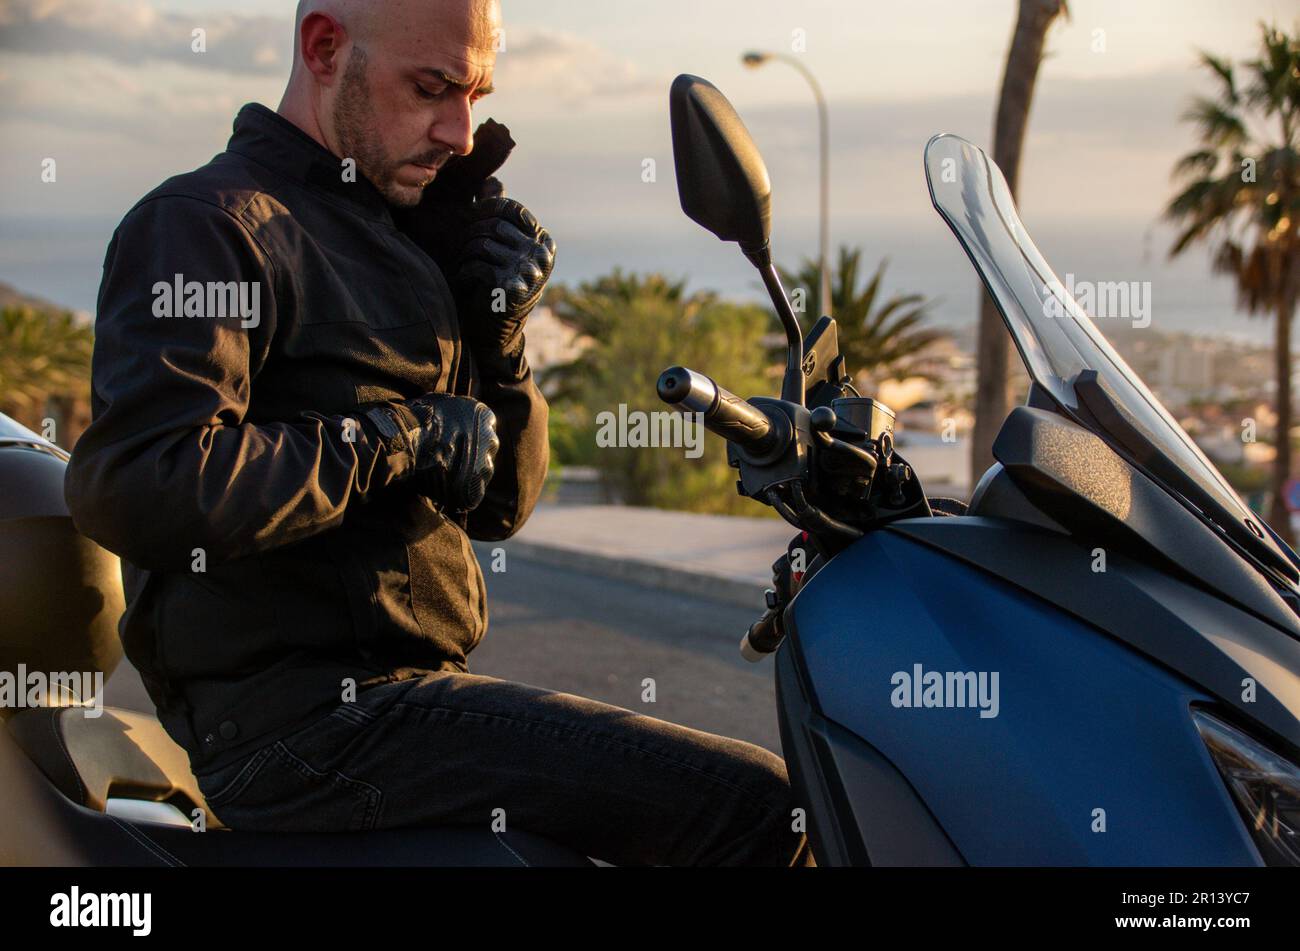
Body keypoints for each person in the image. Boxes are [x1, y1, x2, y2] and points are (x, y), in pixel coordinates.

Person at [64, 0, 811, 866]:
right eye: (431, 88)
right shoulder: (209, 223)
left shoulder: (402, 234)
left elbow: (499, 506)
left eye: (477, 92)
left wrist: (499, 349)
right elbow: (143, 480)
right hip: (302, 725)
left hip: (412, 699)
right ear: (324, 47)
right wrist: (399, 438)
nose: (460, 130)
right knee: (762, 811)